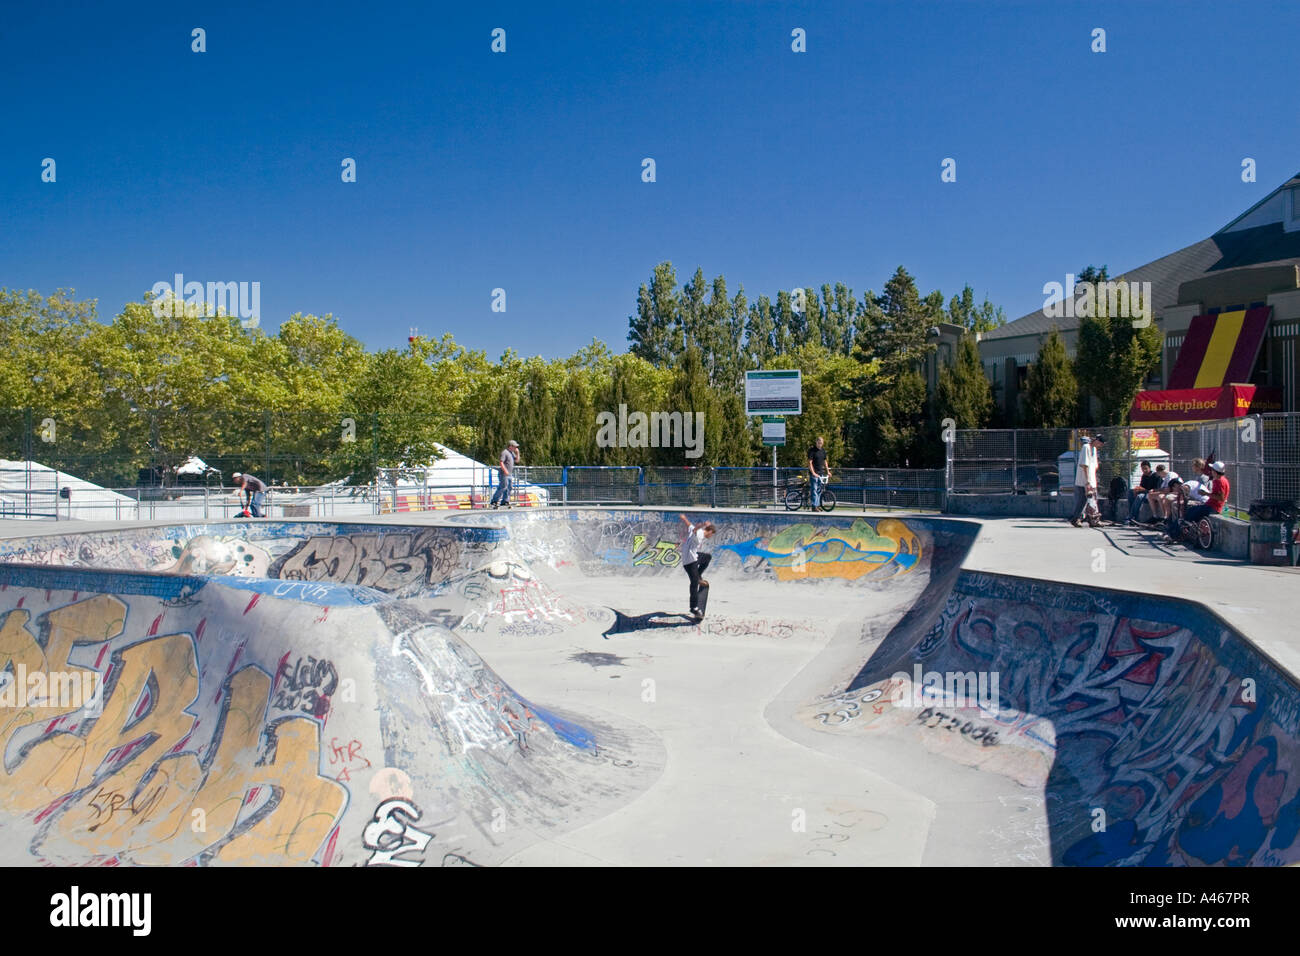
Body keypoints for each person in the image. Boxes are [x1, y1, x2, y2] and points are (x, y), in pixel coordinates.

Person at [1169, 461, 1229, 537]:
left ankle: (1174, 534)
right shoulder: (1223, 480)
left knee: (1188, 515)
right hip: (1211, 505)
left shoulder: (1219, 481)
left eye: (1212, 470)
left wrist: (1205, 493)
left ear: (1215, 471)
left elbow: (1221, 497)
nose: (1211, 471)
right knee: (1191, 510)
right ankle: (1177, 531)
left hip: (1213, 507)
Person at [678, 514, 716, 620]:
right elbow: (695, 530)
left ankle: (698, 575)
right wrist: (703, 524)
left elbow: (690, 525)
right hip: (690, 562)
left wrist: (684, 518)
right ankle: (693, 608)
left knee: (707, 557)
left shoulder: (699, 532)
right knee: (694, 583)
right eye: (711, 534)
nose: (710, 537)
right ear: (709, 531)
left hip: (693, 557)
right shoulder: (699, 535)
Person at [1069, 434, 1104, 527]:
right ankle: (1076, 519)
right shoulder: (1086, 447)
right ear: (1096, 440)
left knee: (1093, 501)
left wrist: (1093, 480)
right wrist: (1087, 481)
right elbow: (1085, 465)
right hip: (1083, 481)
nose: (1101, 445)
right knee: (1082, 501)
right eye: (1100, 443)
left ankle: (1093, 519)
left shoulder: (1094, 450)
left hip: (1092, 480)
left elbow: (1095, 466)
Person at [489, 440, 519, 509]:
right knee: (503, 487)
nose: (515, 448)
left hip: (509, 474)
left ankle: (505, 501)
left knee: (509, 487)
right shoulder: (505, 452)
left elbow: (517, 461)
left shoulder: (512, 453)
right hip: (503, 474)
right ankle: (494, 501)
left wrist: (517, 453)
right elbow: (501, 462)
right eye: (514, 446)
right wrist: (505, 470)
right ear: (510, 446)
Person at [807, 436, 830, 509]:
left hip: (820, 473)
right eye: (819, 443)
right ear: (816, 442)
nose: (820, 444)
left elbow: (825, 461)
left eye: (821, 443)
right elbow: (809, 463)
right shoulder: (812, 450)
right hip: (814, 473)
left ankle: (817, 505)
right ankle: (814, 506)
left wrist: (828, 471)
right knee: (814, 489)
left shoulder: (823, 451)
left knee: (819, 490)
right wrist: (813, 473)